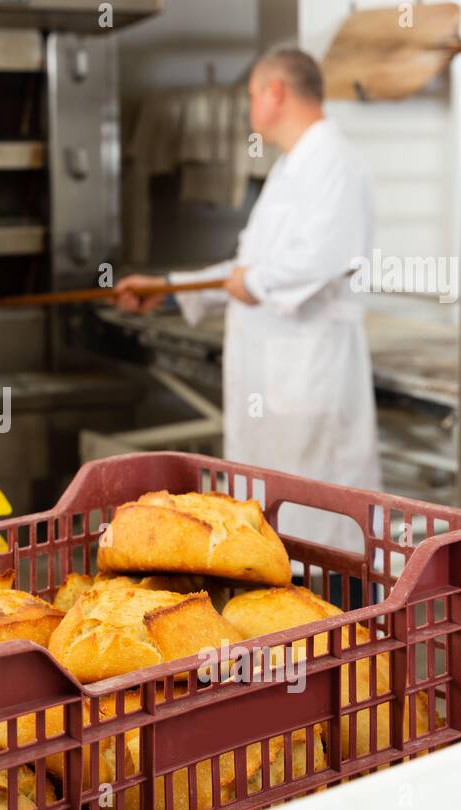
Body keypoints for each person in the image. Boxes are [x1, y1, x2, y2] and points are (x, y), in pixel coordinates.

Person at [114, 47, 380, 554]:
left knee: (319, 539)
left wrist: (252, 283)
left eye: (252, 94)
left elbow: (317, 262)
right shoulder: (292, 167)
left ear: (274, 93)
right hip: (277, 376)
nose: (249, 107)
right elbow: (247, 269)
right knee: (278, 529)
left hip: (308, 378)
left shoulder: (333, 163)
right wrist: (167, 286)